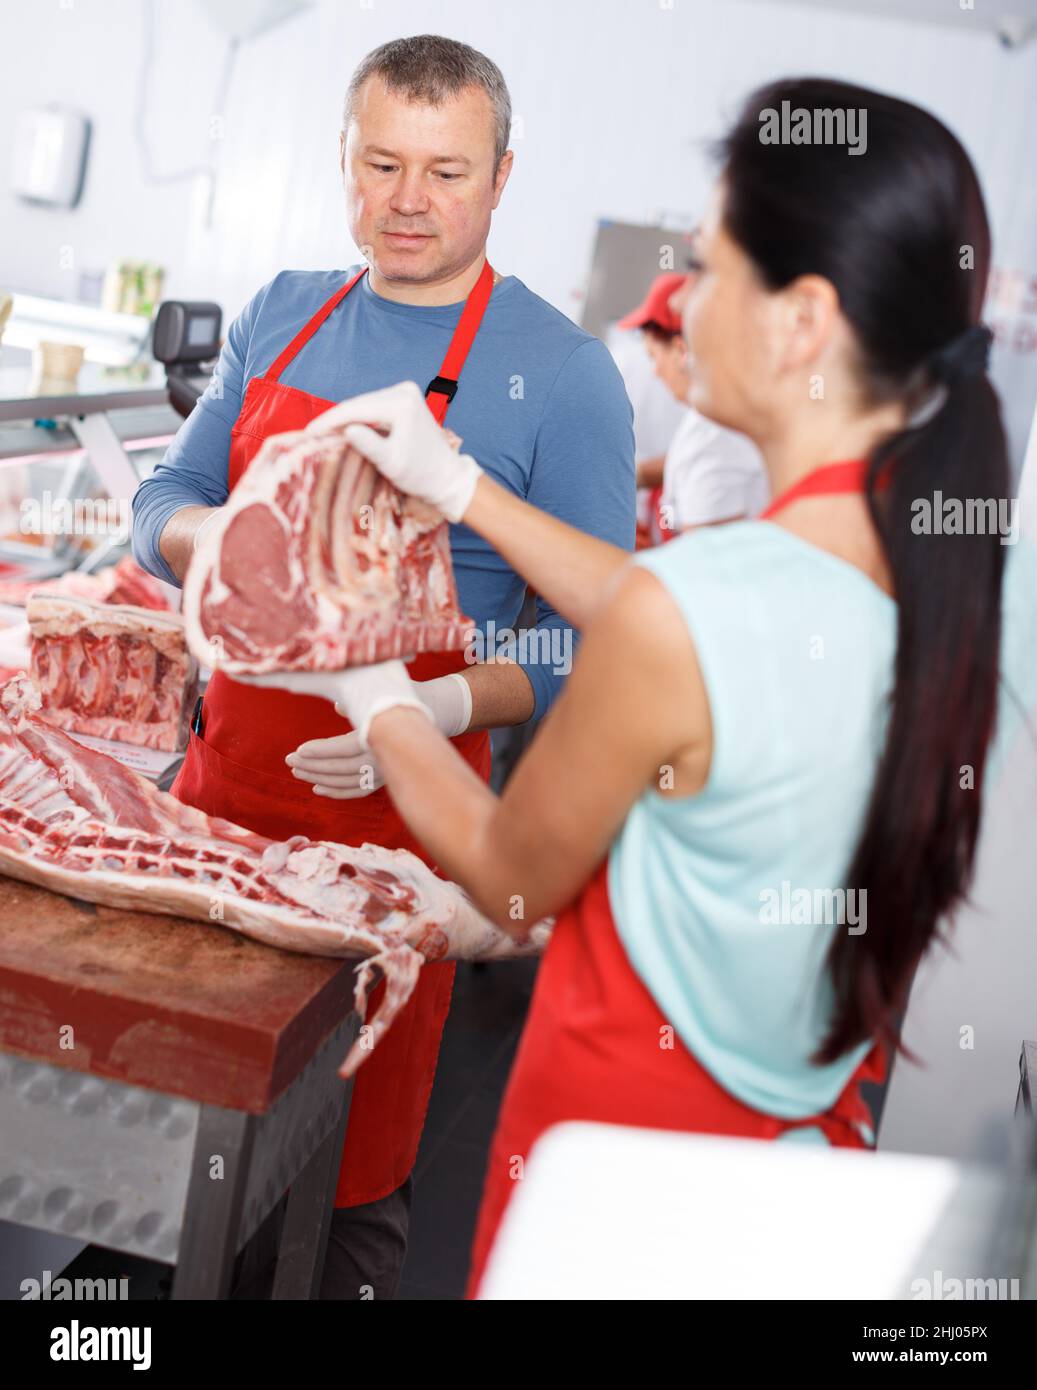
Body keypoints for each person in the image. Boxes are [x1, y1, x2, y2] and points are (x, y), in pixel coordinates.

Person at [244, 75, 1037, 1297]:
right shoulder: (921, 571)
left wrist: (373, 683)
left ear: (800, 321)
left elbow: (509, 871)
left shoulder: (698, 607)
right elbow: (684, 624)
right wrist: (463, 492)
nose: (676, 302)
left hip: (621, 1187)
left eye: (709, 267)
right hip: (784, 1159)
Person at [131, 33, 634, 1299]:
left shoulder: (562, 375)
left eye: (445, 171)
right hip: (217, 821)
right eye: (381, 163)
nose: (408, 200)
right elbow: (163, 496)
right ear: (345, 162)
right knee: (160, 1179)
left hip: (400, 843)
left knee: (330, 1206)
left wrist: (438, 700)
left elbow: (590, 638)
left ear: (501, 177)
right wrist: (234, 544)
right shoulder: (282, 310)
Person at [619, 271, 768, 539]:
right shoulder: (717, 418)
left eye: (654, 356)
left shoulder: (714, 432)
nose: (655, 372)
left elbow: (703, 570)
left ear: (679, 351)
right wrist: (634, 474)